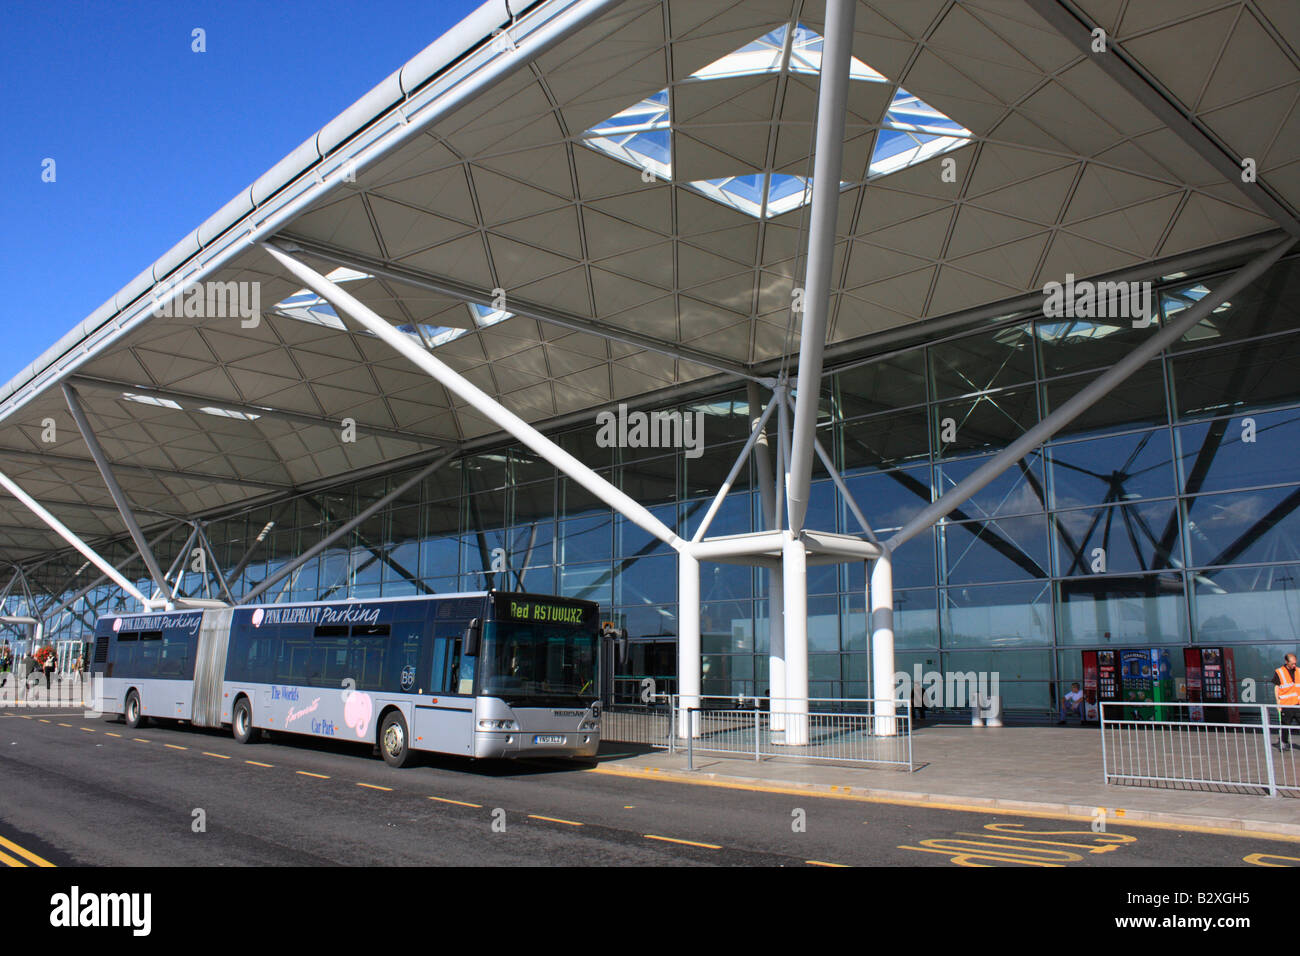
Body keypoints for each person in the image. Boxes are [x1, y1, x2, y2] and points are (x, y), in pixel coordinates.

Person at [1273, 652, 1299, 751]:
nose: (1294, 665)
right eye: (1292, 663)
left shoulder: (1298, 671)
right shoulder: (1280, 672)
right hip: (1286, 704)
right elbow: (1277, 687)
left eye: (1295, 663)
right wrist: (1278, 703)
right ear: (1286, 662)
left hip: (1297, 704)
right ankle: (1284, 742)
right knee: (1285, 726)